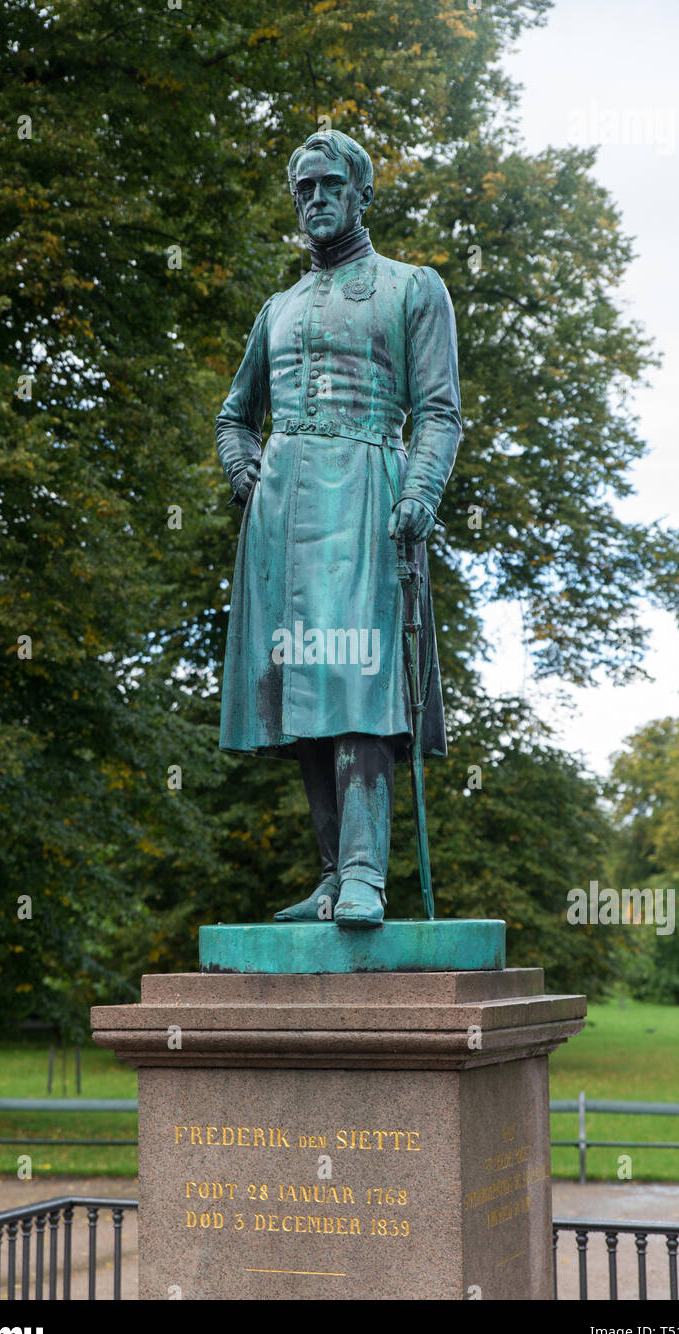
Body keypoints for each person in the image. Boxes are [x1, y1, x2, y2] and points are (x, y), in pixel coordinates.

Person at [216, 130, 462, 925]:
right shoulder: (276, 309)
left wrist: (419, 493)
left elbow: (438, 412)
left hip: (366, 496)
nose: (315, 200)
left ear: (360, 195)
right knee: (301, 695)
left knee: (356, 680)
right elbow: (233, 415)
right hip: (281, 517)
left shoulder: (410, 288)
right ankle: (330, 876)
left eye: (329, 186)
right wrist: (245, 471)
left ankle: (364, 874)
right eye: (303, 189)